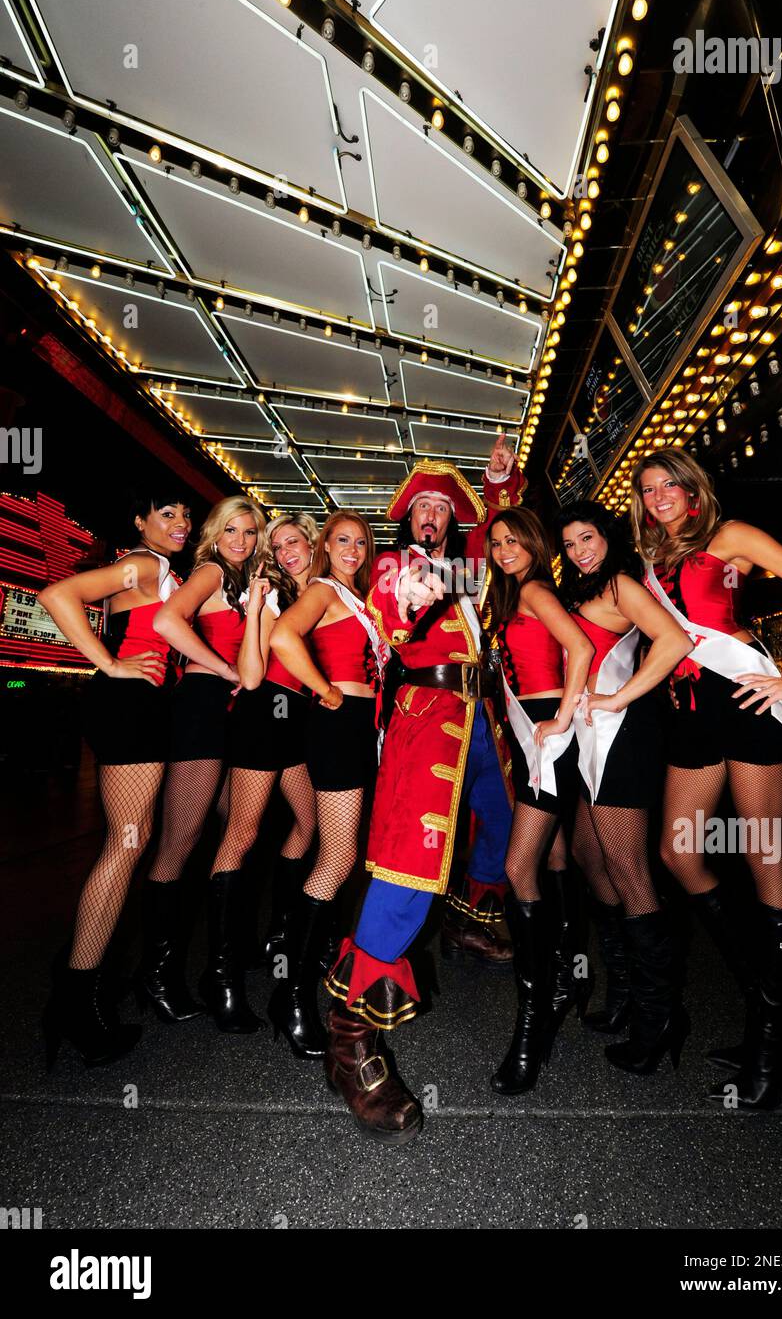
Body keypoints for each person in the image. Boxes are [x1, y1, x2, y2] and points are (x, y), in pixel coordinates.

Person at [634, 448, 782, 1108]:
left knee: (765, 857)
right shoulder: (653, 561)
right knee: (678, 853)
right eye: (646, 490)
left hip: (743, 705)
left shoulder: (729, 538)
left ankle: (770, 1033)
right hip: (688, 717)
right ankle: (769, 1001)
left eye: (667, 485)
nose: (657, 497)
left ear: (690, 489)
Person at [323, 440, 525, 1143]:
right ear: (408, 519)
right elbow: (391, 608)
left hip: (479, 723)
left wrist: (498, 482)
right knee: (411, 865)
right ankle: (349, 1042)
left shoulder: (466, 569)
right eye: (423, 508)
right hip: (425, 722)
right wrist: (408, 599)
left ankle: (469, 917)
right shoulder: (392, 566)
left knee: (502, 827)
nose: (433, 515)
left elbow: (506, 544)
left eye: (443, 507)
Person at [38, 485, 192, 1067]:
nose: (179, 522)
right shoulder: (142, 563)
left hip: (142, 708)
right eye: (166, 512)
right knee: (125, 846)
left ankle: (77, 989)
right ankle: (77, 997)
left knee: (131, 842)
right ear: (141, 520)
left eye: (184, 514)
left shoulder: (161, 571)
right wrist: (109, 663)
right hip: (128, 707)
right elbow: (57, 594)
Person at [558, 502, 692, 1074]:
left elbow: (674, 640)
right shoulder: (585, 586)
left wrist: (617, 697)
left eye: (587, 537)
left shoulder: (619, 583)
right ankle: (623, 993)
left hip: (624, 736)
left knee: (629, 869)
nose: (579, 549)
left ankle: (658, 1017)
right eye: (569, 543)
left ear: (607, 536)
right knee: (592, 857)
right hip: (592, 739)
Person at [267, 512, 387, 1059]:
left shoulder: (359, 600)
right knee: (336, 859)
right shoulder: (320, 589)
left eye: (361, 541)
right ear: (324, 545)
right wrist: (326, 693)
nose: (353, 549)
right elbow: (283, 635)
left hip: (361, 727)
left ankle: (303, 974)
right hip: (337, 723)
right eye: (342, 540)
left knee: (344, 854)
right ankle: (291, 998)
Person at [485, 507, 595, 1094]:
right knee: (554, 858)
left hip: (548, 733)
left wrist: (559, 716)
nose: (504, 549)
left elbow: (578, 646)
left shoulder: (534, 588)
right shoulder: (509, 596)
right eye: (496, 542)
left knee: (516, 865)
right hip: (531, 731)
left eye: (514, 540)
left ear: (535, 543)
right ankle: (564, 977)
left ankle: (530, 1026)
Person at [149, 495, 268, 1032]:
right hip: (200, 710)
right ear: (215, 535)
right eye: (231, 530)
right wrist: (221, 668)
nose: (240, 540)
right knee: (178, 842)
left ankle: (222, 966)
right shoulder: (213, 571)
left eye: (249, 531)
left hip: (227, 718)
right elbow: (167, 621)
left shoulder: (244, 581)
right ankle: (157, 975)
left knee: (237, 833)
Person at [213, 513, 319, 976]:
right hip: (264, 716)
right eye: (276, 547)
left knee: (308, 821)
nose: (284, 552)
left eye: (292, 541)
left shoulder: (320, 594)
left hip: (296, 721)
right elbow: (253, 677)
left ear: (313, 544)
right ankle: (222, 970)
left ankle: (281, 931)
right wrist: (255, 608)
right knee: (241, 835)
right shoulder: (276, 596)